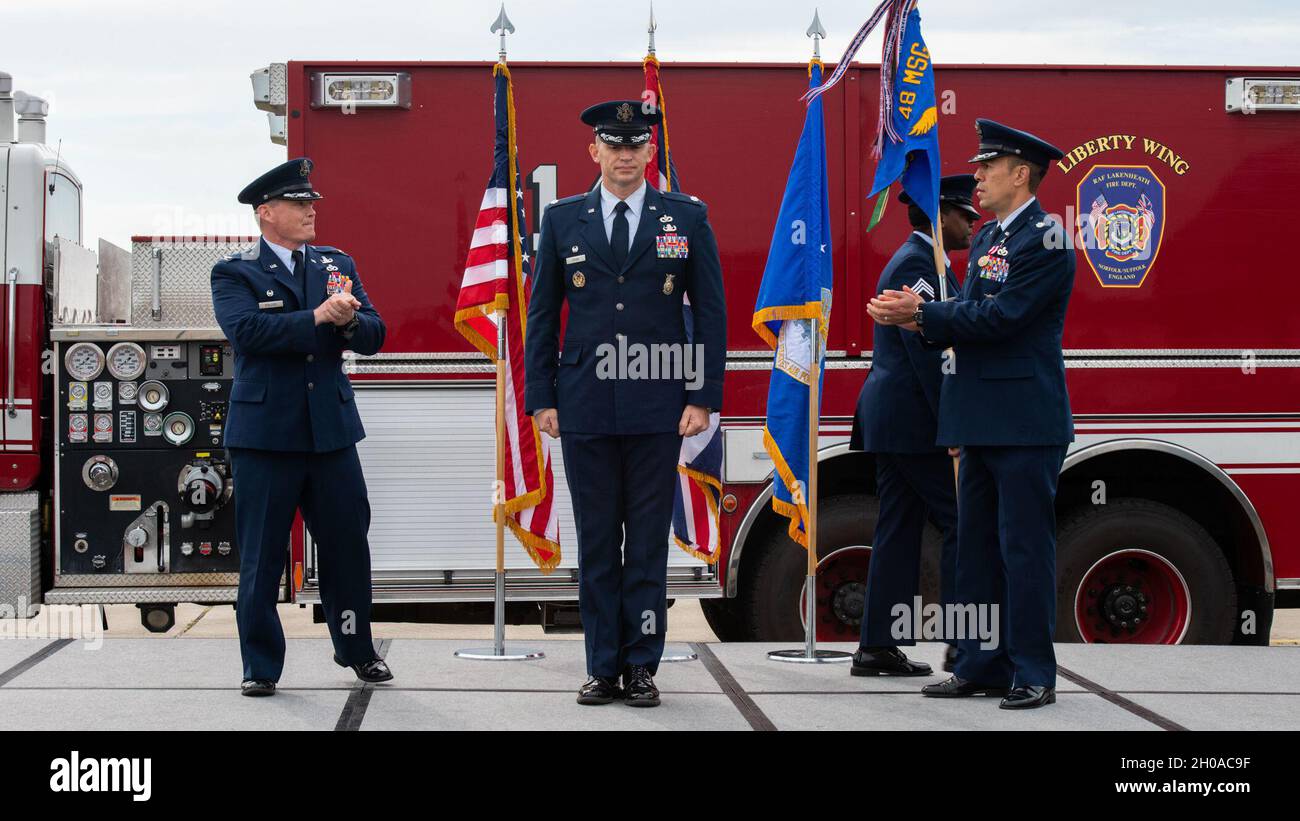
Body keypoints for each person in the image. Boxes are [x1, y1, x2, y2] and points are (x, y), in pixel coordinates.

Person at [867, 120, 1075, 710]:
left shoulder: (1049, 239)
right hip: (977, 416)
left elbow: (1005, 319)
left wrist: (922, 317)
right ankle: (980, 662)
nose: (976, 176)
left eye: (988, 167)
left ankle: (1033, 669)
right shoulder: (988, 239)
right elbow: (970, 312)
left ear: (1021, 173)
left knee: (1024, 549)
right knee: (977, 548)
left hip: (1024, 421)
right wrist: (918, 316)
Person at [525, 101, 726, 708]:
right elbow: (541, 317)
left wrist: (702, 396)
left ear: (649, 153)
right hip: (584, 403)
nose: (624, 155)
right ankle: (602, 668)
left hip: (657, 404)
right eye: (613, 145)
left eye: (635, 145)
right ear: (595, 152)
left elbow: (712, 314)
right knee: (595, 545)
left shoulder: (686, 217)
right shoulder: (563, 221)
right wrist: (541, 398)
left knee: (644, 545)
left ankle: (642, 666)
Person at [211, 157, 392, 697]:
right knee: (262, 556)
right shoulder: (234, 271)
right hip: (266, 436)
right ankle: (260, 666)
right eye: (298, 203)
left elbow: (376, 333)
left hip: (331, 433)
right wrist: (318, 318)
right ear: (266, 213)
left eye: (312, 202)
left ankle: (357, 649)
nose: (311, 210)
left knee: (347, 547)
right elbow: (248, 333)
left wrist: (352, 321)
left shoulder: (336, 264)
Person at [848, 175, 978, 677]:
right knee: (963, 524)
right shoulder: (920, 265)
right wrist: (954, 427)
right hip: (915, 421)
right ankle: (965, 647)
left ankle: (878, 645)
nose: (973, 222)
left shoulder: (929, 263)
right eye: (965, 214)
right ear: (941, 215)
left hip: (900, 420)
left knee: (898, 530)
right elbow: (930, 354)